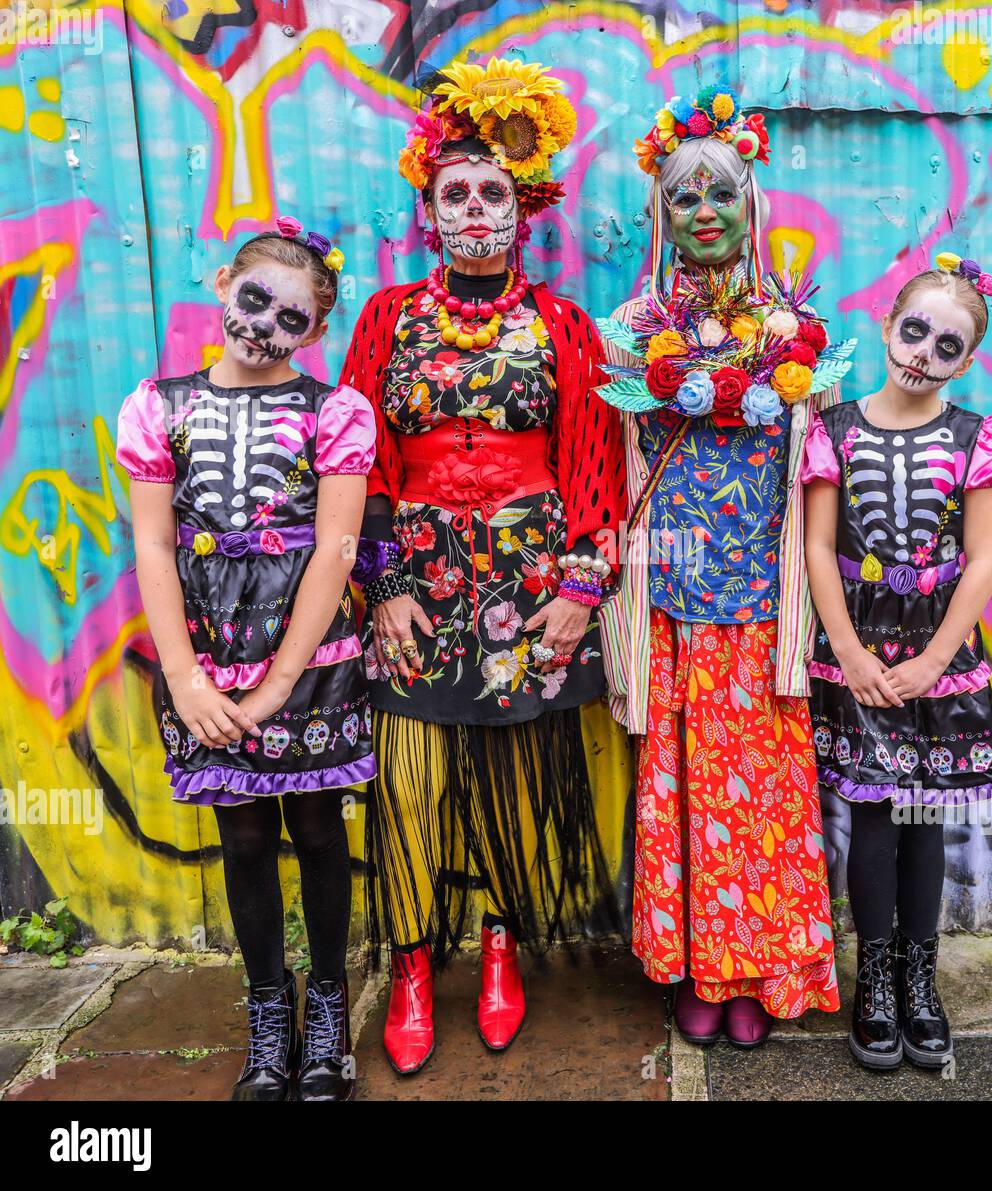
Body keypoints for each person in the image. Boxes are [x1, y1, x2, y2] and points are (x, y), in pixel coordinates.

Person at [339, 56, 626, 1071]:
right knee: (412, 788)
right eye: (454, 193)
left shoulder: (561, 326)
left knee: (514, 785)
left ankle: (501, 952)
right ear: (427, 213)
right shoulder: (384, 319)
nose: (473, 208)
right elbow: (356, 458)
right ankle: (414, 964)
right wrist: (378, 588)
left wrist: (581, 594)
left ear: (523, 208)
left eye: (491, 192)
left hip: (526, 585)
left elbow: (593, 459)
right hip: (415, 582)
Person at [597, 85, 843, 1048]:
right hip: (672, 596)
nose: (704, 212)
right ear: (662, 216)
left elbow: (815, 460)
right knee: (683, 783)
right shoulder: (630, 328)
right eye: (683, 197)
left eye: (720, 194)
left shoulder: (791, 330)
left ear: (751, 206)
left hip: (763, 598)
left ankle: (762, 971)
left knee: (765, 791)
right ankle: (698, 964)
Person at [117, 219, 374, 1101]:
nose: (265, 325)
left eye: (290, 318)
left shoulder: (333, 412)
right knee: (244, 832)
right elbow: (154, 548)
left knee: (314, 825)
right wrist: (186, 676)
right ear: (224, 283)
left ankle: (329, 1011)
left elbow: (337, 551)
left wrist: (275, 687)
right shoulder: (160, 404)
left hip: (308, 657)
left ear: (316, 331)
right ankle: (270, 1009)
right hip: (206, 655)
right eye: (253, 298)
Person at [801, 252, 992, 1070]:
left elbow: (983, 561)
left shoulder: (974, 437)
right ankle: (874, 983)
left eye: (949, 345)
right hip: (856, 653)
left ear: (967, 360)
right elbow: (820, 549)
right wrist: (850, 652)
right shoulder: (834, 430)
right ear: (888, 325)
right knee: (873, 816)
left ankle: (919, 977)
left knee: (925, 819)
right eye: (915, 330)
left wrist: (933, 660)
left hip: (938, 656)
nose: (924, 353)